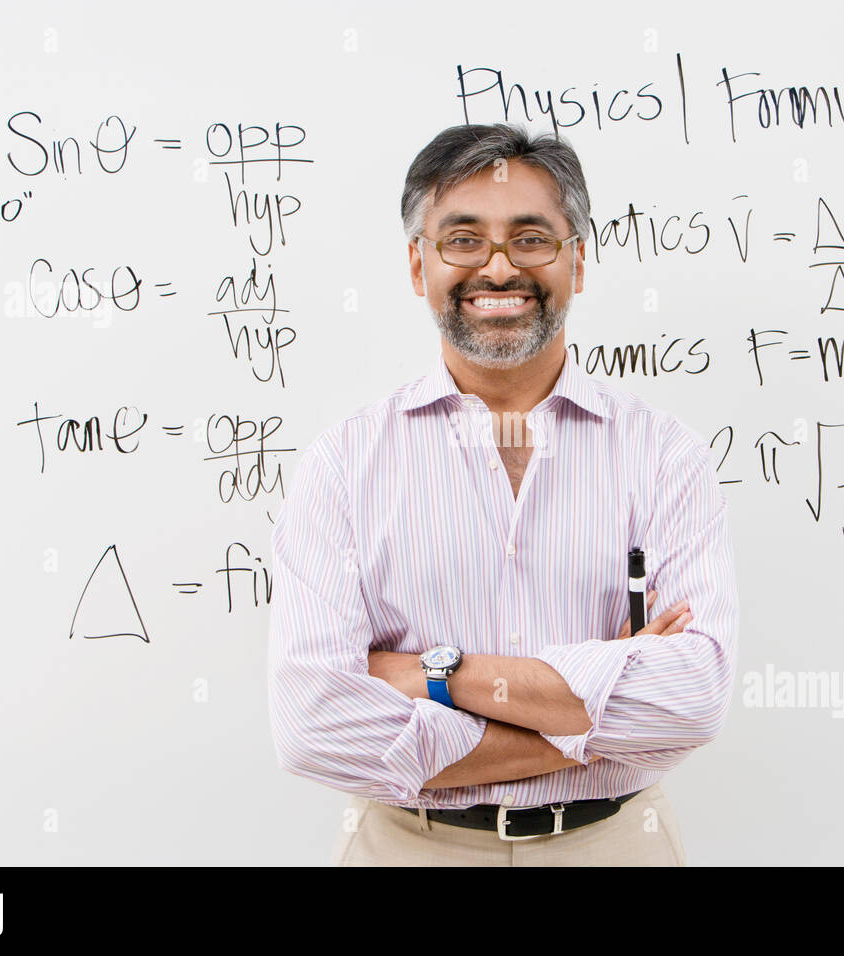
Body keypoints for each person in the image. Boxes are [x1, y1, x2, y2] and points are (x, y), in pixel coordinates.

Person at [268, 123, 738, 866]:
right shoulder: (341, 466)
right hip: (406, 848)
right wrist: (585, 711)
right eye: (462, 239)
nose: (497, 267)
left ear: (576, 263)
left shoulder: (665, 455)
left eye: (530, 239)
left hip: (614, 844)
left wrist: (433, 674)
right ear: (418, 265)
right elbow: (315, 726)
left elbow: (690, 699)